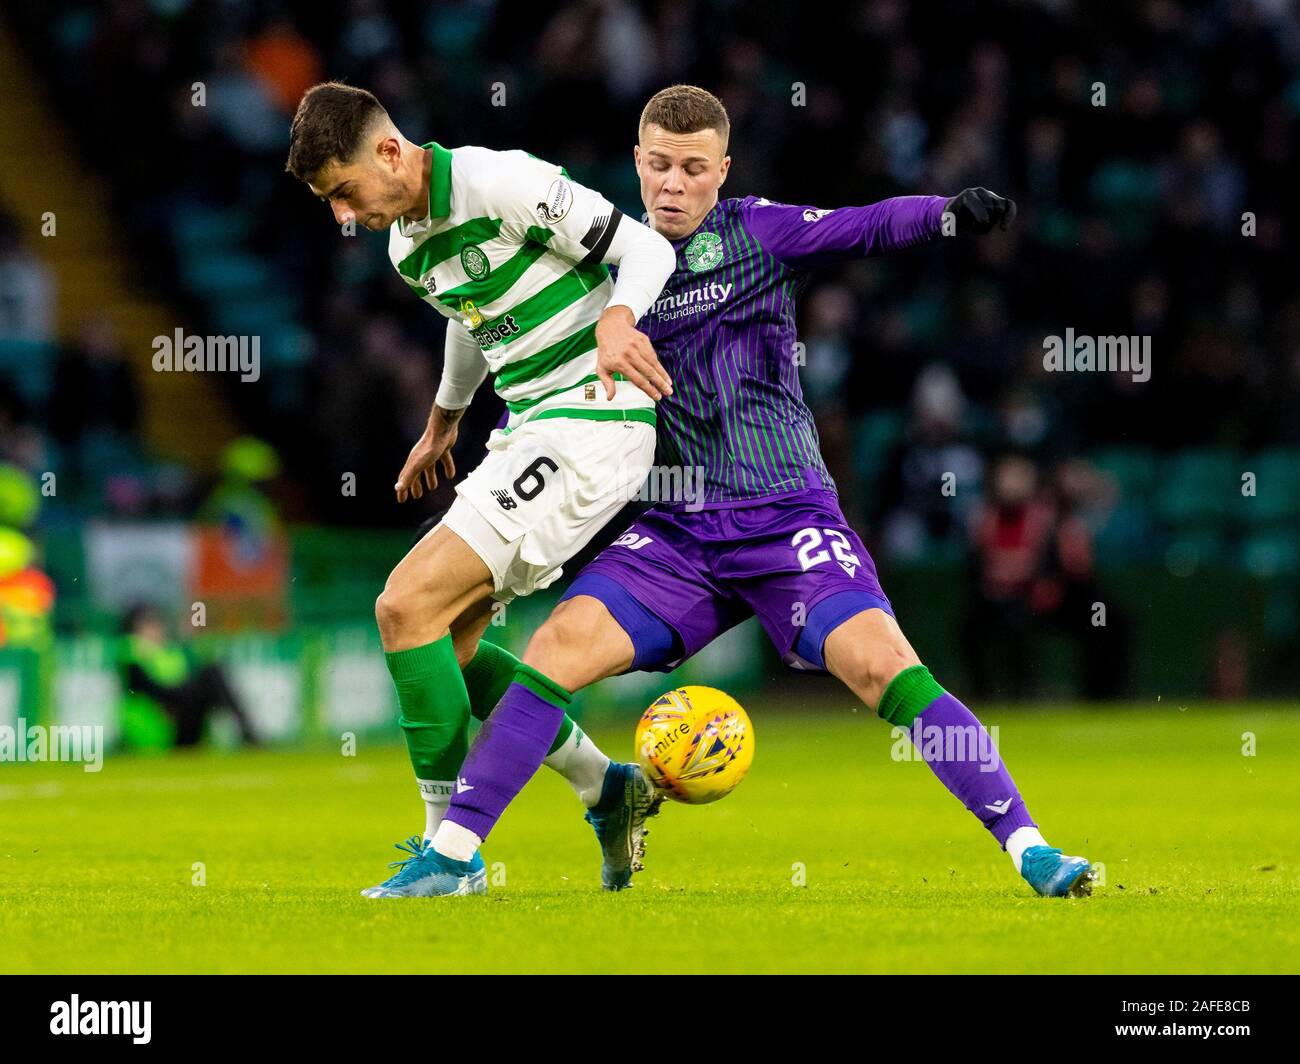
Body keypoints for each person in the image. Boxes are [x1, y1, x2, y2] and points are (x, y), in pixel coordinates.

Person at [410, 85, 1094, 898]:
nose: (672, 184)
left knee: (885, 668)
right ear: (637, 163)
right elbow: (487, 313)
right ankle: (452, 858)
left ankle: (1031, 849)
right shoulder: (602, 259)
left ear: (721, 172)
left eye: (693, 169)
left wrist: (945, 213)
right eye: (658, 165)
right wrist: (448, 417)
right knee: (553, 649)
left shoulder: (758, 231)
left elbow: (860, 225)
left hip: (785, 515)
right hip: (675, 531)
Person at [285, 83, 678, 896]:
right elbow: (472, 318)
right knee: (449, 651)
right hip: (528, 425)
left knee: (404, 607)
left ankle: (447, 856)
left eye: (344, 191)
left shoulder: (500, 181)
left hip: (593, 420)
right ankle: (605, 785)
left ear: (389, 151)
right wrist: (443, 422)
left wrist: (619, 318)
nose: (344, 216)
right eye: (329, 203)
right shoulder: (405, 247)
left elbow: (647, 250)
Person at [117, 604, 259, 750]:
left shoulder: (169, 652)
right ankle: (248, 733)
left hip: (176, 720)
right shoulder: (131, 650)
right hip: (152, 727)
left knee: (211, 673)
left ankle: (246, 733)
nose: (155, 628)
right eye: (148, 624)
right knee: (210, 675)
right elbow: (148, 688)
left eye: (157, 622)